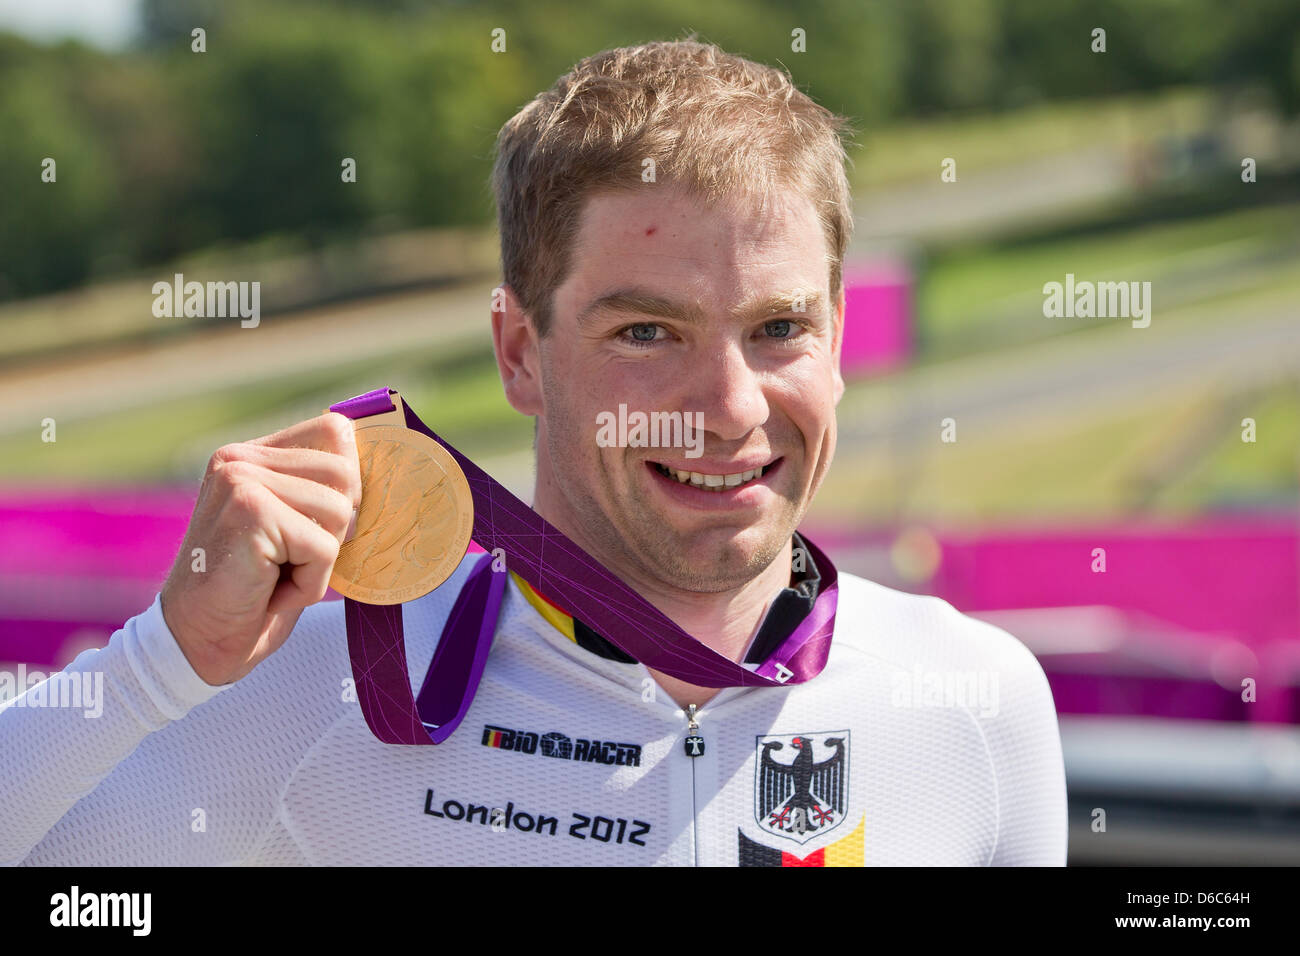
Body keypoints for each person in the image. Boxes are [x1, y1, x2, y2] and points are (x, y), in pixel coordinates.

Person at [1, 39, 1066, 866]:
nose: (732, 406)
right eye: (647, 332)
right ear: (521, 353)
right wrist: (160, 662)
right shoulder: (322, 692)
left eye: (778, 327)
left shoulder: (973, 699)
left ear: (836, 335)